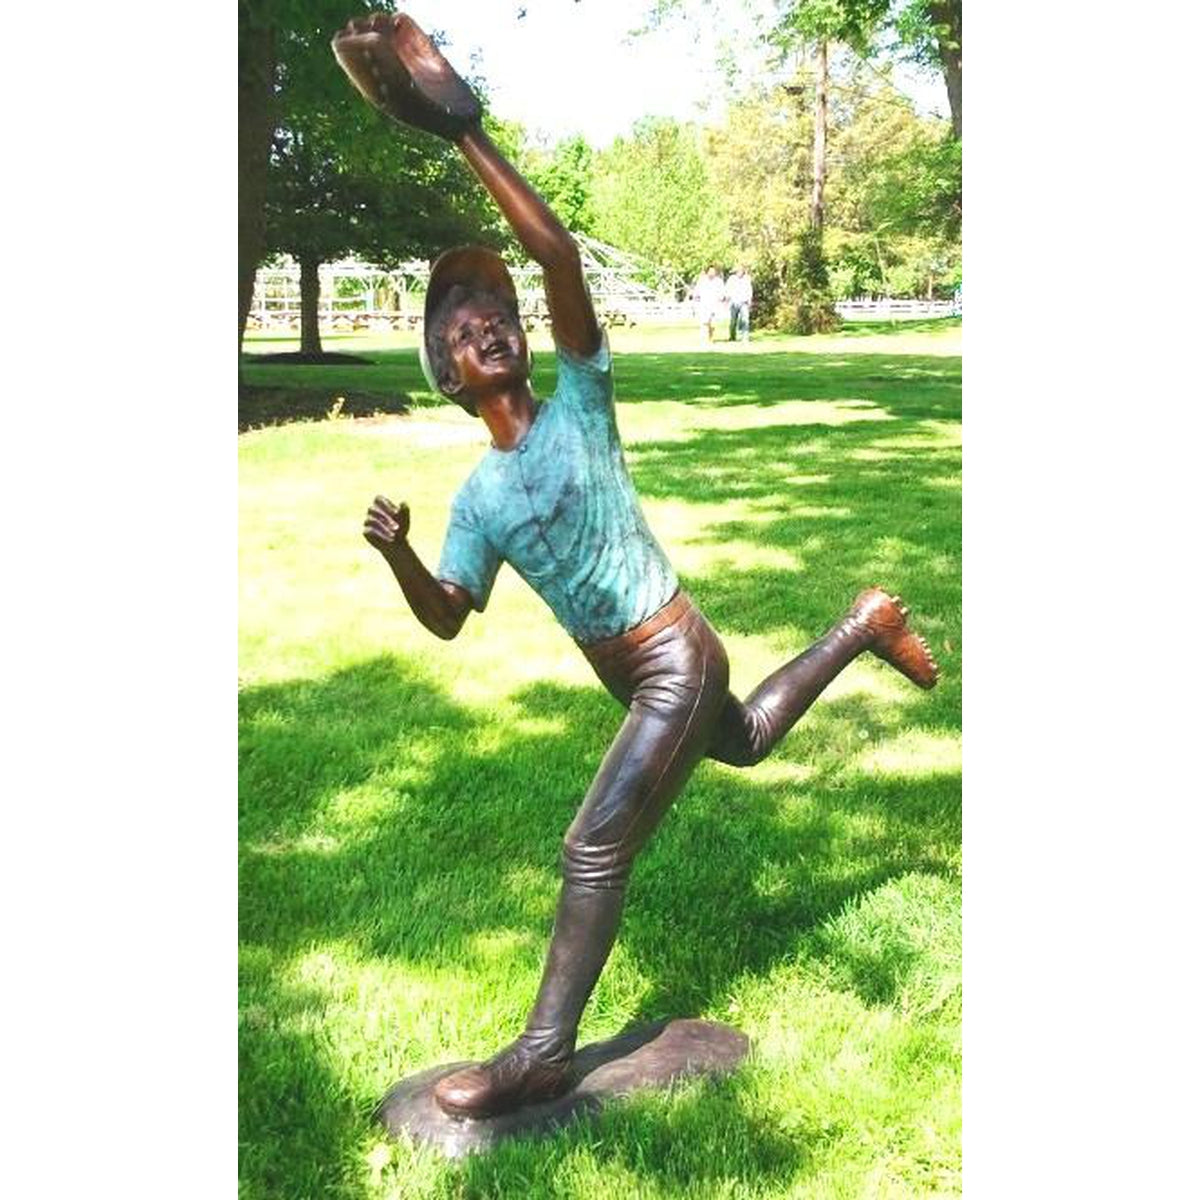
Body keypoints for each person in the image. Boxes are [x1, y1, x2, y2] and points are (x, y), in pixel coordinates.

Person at [333, 11, 939, 1121]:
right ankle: (865, 621)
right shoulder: (479, 498)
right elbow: (450, 617)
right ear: (451, 377)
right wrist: (405, 557)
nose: (491, 333)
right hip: (638, 670)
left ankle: (544, 1053)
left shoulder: (584, 404)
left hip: (671, 651)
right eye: (466, 335)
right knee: (744, 743)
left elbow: (558, 253)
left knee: (592, 844)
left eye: (499, 317)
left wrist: (462, 131)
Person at [693, 265, 726, 345]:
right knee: (704, 323)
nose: (712, 273)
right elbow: (697, 291)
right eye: (710, 271)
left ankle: (711, 338)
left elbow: (722, 293)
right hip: (704, 304)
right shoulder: (702, 281)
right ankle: (704, 339)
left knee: (712, 323)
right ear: (707, 272)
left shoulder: (719, 281)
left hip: (715, 305)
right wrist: (696, 298)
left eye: (713, 271)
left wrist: (721, 299)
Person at [727, 264, 753, 342]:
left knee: (745, 320)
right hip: (734, 302)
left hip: (744, 302)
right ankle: (732, 336)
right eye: (738, 271)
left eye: (741, 271)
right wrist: (728, 298)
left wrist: (749, 300)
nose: (740, 272)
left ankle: (745, 337)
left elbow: (749, 290)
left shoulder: (747, 279)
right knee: (733, 321)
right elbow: (728, 289)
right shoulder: (731, 279)